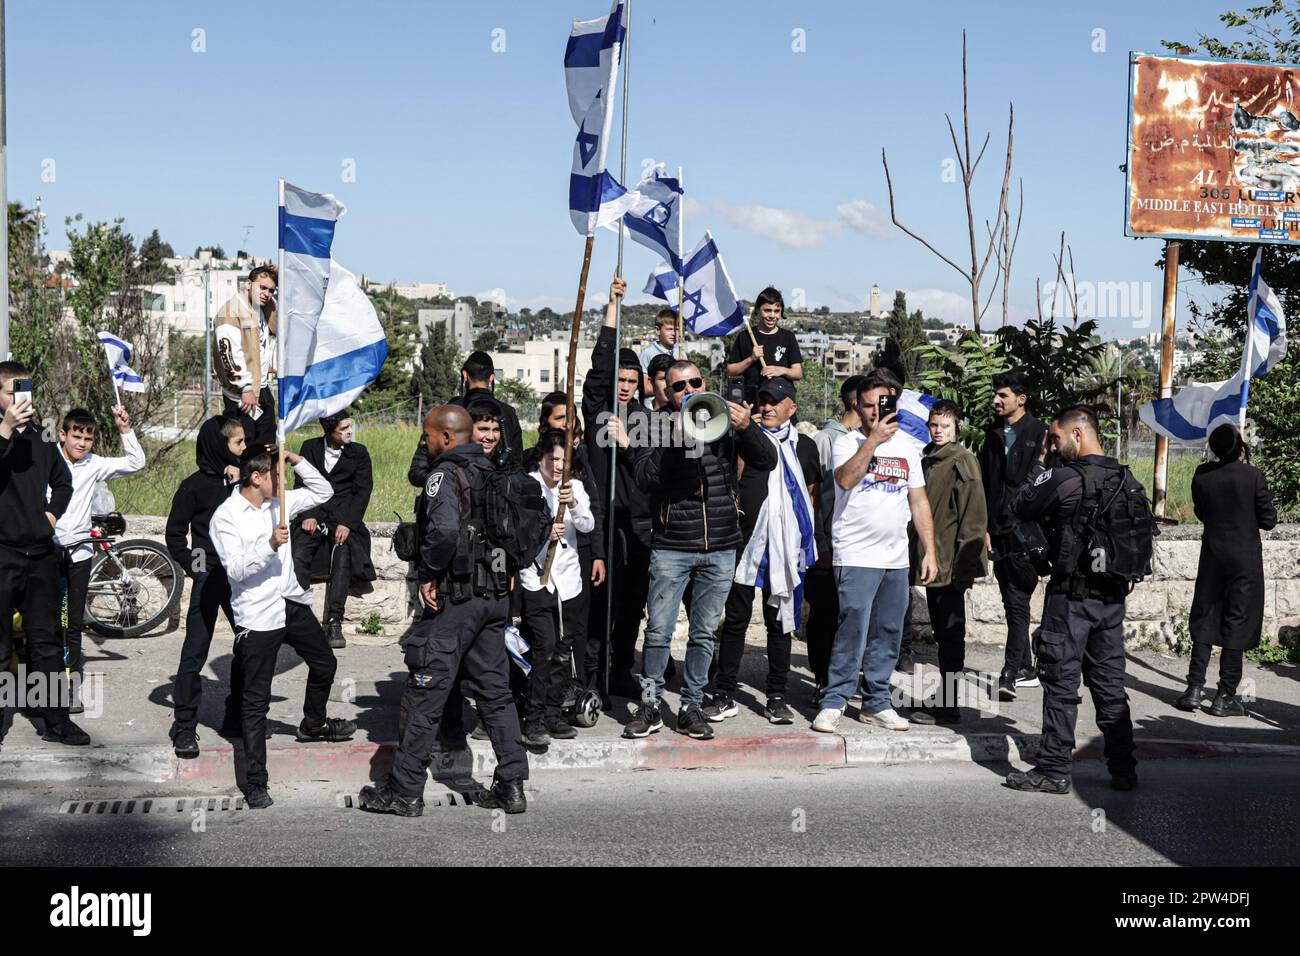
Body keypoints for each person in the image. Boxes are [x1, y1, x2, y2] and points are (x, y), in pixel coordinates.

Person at [359, 406, 529, 818]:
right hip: (494, 601)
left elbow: (446, 531)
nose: (425, 441)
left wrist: (430, 574)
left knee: (424, 692)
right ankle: (512, 785)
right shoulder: (495, 471)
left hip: (458, 601)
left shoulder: (444, 474)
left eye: (429, 435)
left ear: (448, 438)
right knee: (495, 693)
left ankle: (404, 791)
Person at [627, 360, 778, 740]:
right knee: (659, 631)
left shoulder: (722, 421)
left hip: (721, 547)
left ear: (704, 383)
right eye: (680, 386)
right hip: (673, 547)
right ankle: (650, 705)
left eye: (695, 382)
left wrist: (748, 429)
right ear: (668, 392)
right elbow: (645, 478)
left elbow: (767, 460)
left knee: (704, 633)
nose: (689, 390)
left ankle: (691, 705)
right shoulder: (655, 426)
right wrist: (674, 442)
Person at [1004, 406, 1142, 794]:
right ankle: (1123, 769)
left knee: (1061, 683)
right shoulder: (1126, 479)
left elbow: (1018, 506)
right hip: (1112, 600)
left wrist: (1043, 461)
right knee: (1110, 686)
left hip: (1070, 600)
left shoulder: (1064, 479)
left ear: (1077, 434)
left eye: (1056, 436)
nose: (1053, 443)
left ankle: (1053, 768)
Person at [211, 446, 358, 809]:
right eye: (277, 474)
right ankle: (256, 782)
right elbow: (237, 570)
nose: (283, 481)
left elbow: (323, 493)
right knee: (255, 703)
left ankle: (313, 724)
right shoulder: (226, 516)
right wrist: (270, 545)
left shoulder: (280, 500)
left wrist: (294, 459)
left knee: (325, 663)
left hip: (291, 602)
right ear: (256, 477)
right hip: (258, 616)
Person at [813, 369, 937, 734]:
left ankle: (877, 702)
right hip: (855, 553)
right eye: (866, 406)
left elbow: (919, 500)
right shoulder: (847, 442)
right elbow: (845, 479)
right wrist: (874, 442)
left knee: (887, 632)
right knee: (852, 628)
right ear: (858, 406)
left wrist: (928, 550)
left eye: (879, 404)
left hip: (895, 557)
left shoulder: (908, 449)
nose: (873, 412)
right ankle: (834, 700)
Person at [707, 376, 821, 725]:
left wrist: (803, 543)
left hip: (784, 550)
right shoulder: (743, 439)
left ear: (792, 407)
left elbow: (809, 497)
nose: (768, 407)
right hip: (745, 544)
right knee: (736, 621)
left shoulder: (805, 447)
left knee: (779, 624)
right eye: (764, 400)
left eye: (776, 401)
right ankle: (724, 692)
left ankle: (776, 696)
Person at [0, 362, 83, 746]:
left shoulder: (43, 437)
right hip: (2, 555)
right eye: (12, 391)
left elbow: (63, 482)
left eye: (26, 390)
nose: (22, 399)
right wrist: (4, 432)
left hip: (41, 556)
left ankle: (56, 721)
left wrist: (52, 513)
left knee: (47, 642)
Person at [583, 277, 656, 698]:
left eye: (631, 380)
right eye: (619, 379)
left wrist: (629, 446)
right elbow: (600, 361)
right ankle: (592, 676)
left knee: (631, 607)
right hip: (602, 524)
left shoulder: (647, 421)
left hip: (638, 527)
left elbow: (653, 472)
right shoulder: (598, 411)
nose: (624, 386)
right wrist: (613, 304)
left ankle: (622, 669)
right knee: (599, 606)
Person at [1177, 423, 1277, 717]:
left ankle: (1194, 688)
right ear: (1240, 448)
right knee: (1237, 621)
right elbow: (1268, 520)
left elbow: (1200, 512)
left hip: (1212, 557)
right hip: (1243, 561)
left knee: (1205, 619)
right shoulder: (1253, 477)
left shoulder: (1202, 475)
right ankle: (1224, 695)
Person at [53, 406, 146, 713]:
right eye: (75, 436)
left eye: (87, 438)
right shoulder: (48, 458)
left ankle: (70, 688)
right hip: (45, 551)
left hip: (79, 551)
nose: (81, 443)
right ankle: (39, 684)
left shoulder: (94, 465)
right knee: (44, 623)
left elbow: (136, 462)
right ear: (63, 435)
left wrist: (124, 428)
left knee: (73, 624)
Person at [166, 415, 248, 759]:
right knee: (194, 652)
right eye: (238, 443)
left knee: (250, 646)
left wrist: (239, 485)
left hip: (240, 578)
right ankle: (185, 726)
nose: (244, 448)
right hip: (208, 577)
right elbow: (175, 533)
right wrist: (196, 568)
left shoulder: (244, 483)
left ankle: (235, 715)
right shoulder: (194, 485)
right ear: (218, 445)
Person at [907, 400, 987, 725]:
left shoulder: (962, 461)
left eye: (944, 426)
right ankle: (946, 698)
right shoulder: (929, 458)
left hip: (951, 563)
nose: (938, 431)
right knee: (943, 634)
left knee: (951, 635)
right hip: (933, 559)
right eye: (934, 425)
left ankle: (950, 704)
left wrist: (964, 570)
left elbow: (973, 519)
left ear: (958, 428)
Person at [517, 429, 594, 745]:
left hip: (568, 582)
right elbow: (519, 534)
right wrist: (544, 533)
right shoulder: (528, 486)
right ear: (541, 458)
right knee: (544, 648)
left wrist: (573, 503)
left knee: (563, 651)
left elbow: (588, 525)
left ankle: (553, 714)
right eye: (554, 458)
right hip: (538, 579)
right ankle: (532, 719)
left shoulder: (574, 486)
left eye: (565, 459)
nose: (560, 465)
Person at [979, 369, 1049, 702]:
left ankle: (1009, 673)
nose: (996, 399)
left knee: (1019, 604)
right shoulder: (991, 435)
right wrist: (986, 528)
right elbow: (987, 486)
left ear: (1021, 399)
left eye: (1003, 395)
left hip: (1027, 534)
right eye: (996, 393)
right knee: (1010, 603)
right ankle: (1027, 668)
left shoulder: (1042, 433)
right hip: (999, 533)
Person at [291, 410, 376, 649]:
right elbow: (302, 483)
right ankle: (299, 617)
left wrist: (347, 523)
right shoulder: (309, 447)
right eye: (344, 428)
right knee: (298, 552)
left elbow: (362, 491)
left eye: (351, 426)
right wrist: (307, 514)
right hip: (315, 513)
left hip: (344, 518)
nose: (350, 431)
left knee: (342, 554)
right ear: (329, 431)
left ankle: (334, 620)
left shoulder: (359, 453)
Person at [807, 375, 864, 701]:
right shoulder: (828, 440)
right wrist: (822, 543)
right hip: (828, 544)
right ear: (857, 403)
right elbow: (819, 499)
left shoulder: (863, 440)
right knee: (825, 616)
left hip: (855, 544)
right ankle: (822, 680)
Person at [213, 264, 278, 449]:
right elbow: (230, 356)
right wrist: (246, 387)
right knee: (243, 448)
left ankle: (262, 477)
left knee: (265, 447)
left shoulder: (265, 308)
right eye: (262, 287)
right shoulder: (230, 313)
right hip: (241, 395)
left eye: (271, 290)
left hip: (262, 390)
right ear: (248, 285)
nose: (266, 293)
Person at [725, 286, 804, 404]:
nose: (772, 315)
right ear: (757, 310)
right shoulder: (745, 336)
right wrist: (751, 359)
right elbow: (730, 370)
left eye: (776, 311)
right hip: (752, 402)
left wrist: (781, 370)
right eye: (767, 310)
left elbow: (798, 373)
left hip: (781, 403)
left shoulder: (788, 337)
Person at [449, 351, 523, 468]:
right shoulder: (508, 412)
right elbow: (517, 459)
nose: (490, 436)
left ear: (465, 375)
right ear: (492, 378)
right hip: (501, 481)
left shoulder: (452, 410)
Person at [639, 308, 679, 394]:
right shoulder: (648, 354)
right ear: (658, 330)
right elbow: (644, 387)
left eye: (677, 329)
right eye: (669, 329)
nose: (674, 333)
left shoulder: (680, 353)